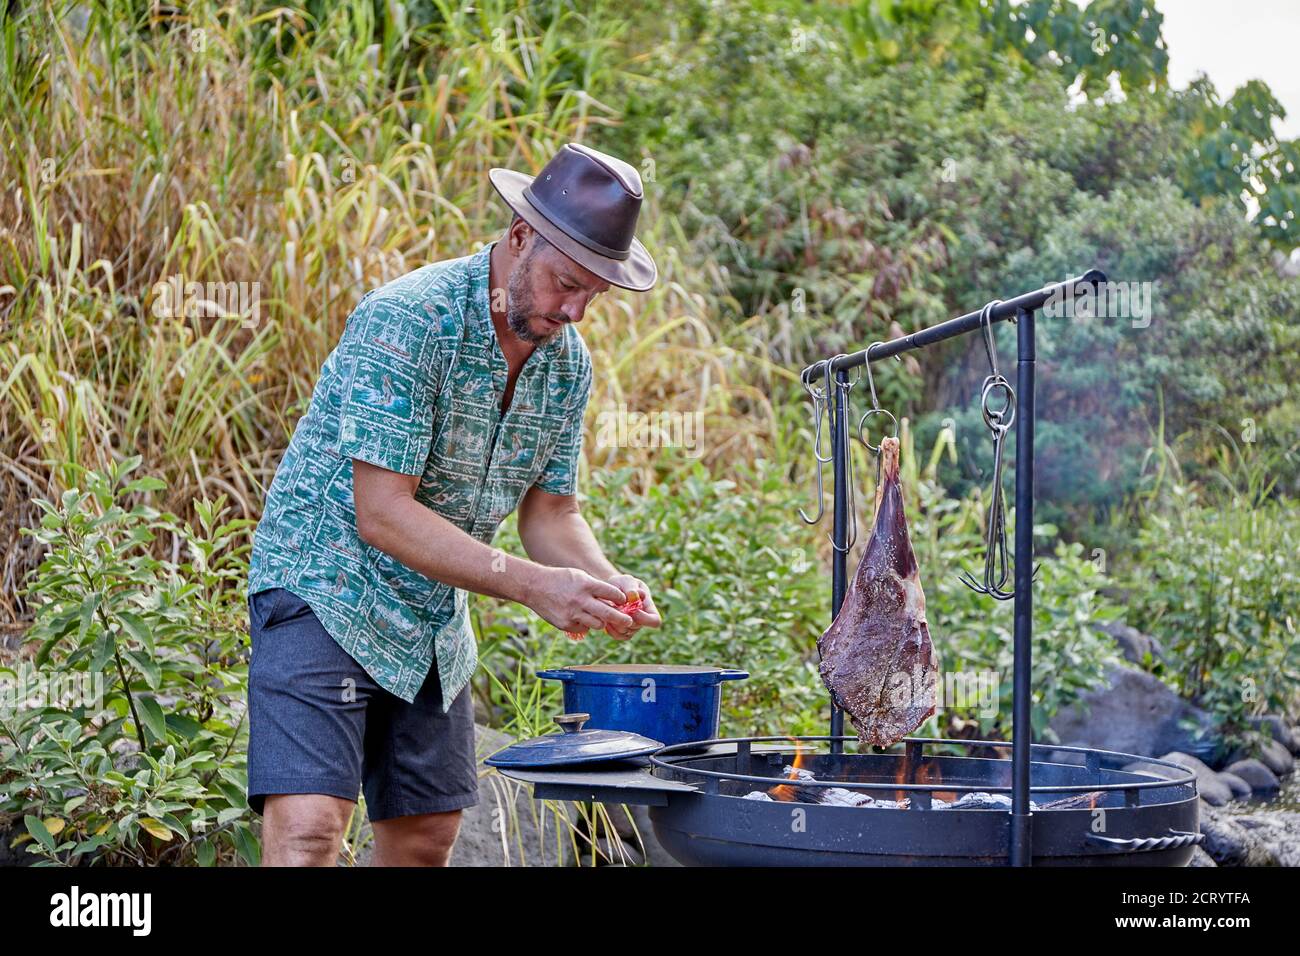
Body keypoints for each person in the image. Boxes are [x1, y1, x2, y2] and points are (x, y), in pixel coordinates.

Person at [245, 143, 663, 865]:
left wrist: (604, 581)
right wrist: (532, 586)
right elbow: (382, 512)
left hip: (431, 620)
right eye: (567, 283)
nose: (575, 310)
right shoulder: (410, 320)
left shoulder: (567, 366)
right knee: (311, 829)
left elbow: (551, 513)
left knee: (424, 840)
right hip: (326, 586)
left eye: (594, 293)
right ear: (520, 234)